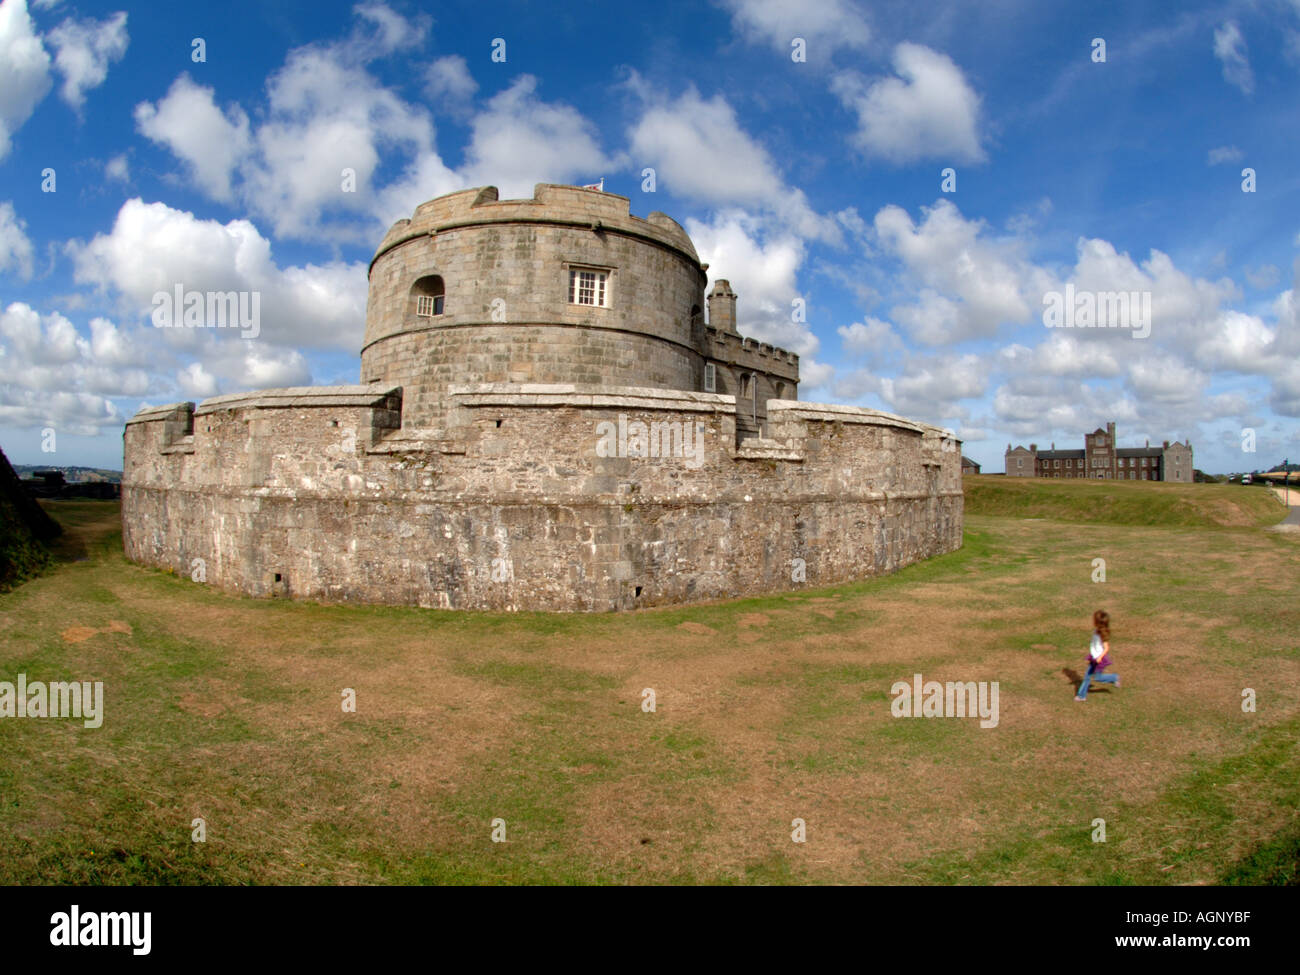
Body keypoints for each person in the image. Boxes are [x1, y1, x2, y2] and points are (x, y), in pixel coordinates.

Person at [1075, 609, 1120, 702]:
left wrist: (1099, 657)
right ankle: (1081, 696)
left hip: (1099, 660)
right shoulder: (1096, 630)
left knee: (1097, 677)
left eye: (1094, 620)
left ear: (1098, 623)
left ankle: (1114, 677)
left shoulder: (1102, 635)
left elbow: (1106, 648)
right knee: (1088, 677)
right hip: (1093, 658)